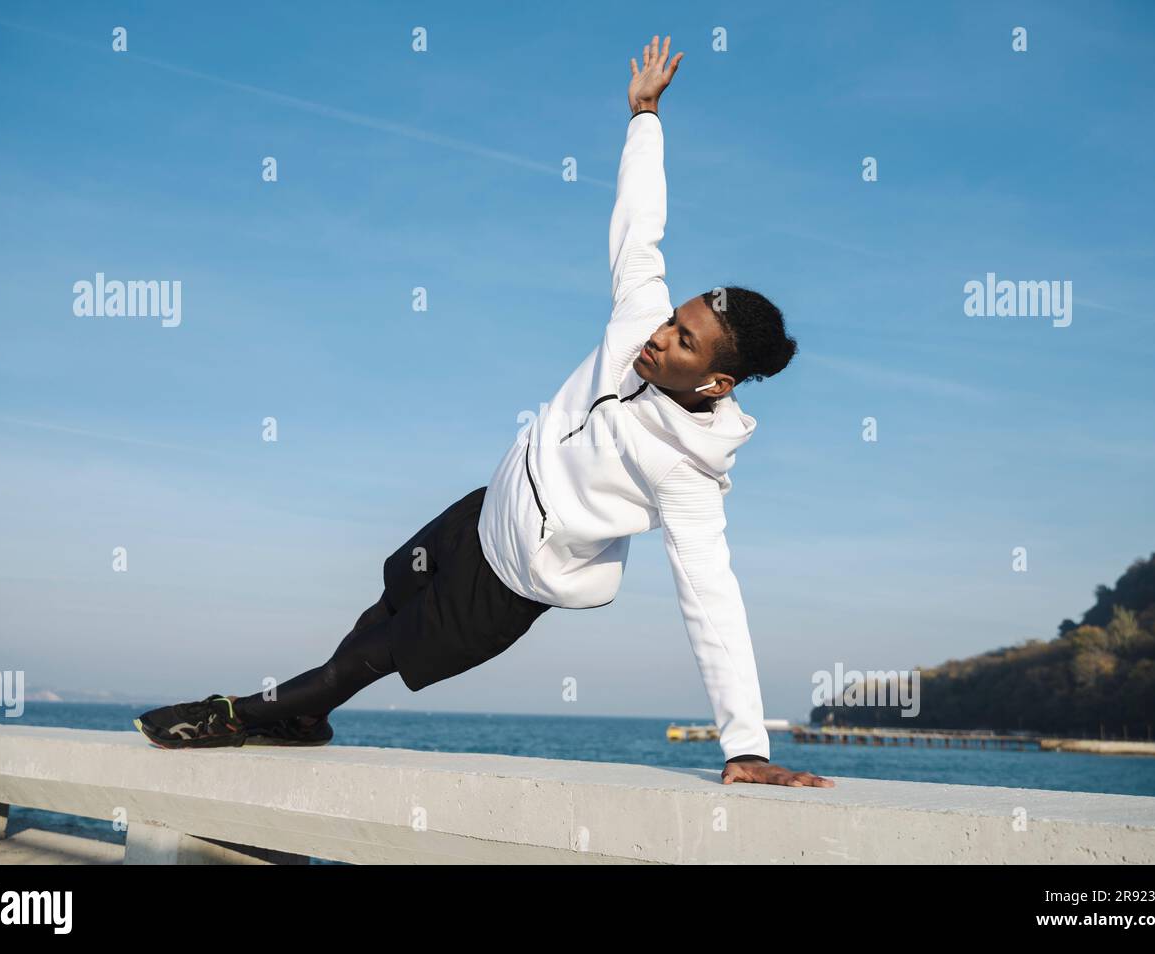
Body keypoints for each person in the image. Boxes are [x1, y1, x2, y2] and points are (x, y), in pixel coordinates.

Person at [136, 34, 834, 789]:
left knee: (375, 656)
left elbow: (713, 601)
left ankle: (240, 715)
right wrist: (645, 117)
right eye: (674, 318)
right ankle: (304, 719)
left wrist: (746, 746)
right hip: (485, 506)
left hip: (510, 578)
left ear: (718, 382)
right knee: (388, 600)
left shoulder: (689, 475)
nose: (661, 335)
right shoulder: (640, 321)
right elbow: (641, 224)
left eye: (684, 341)